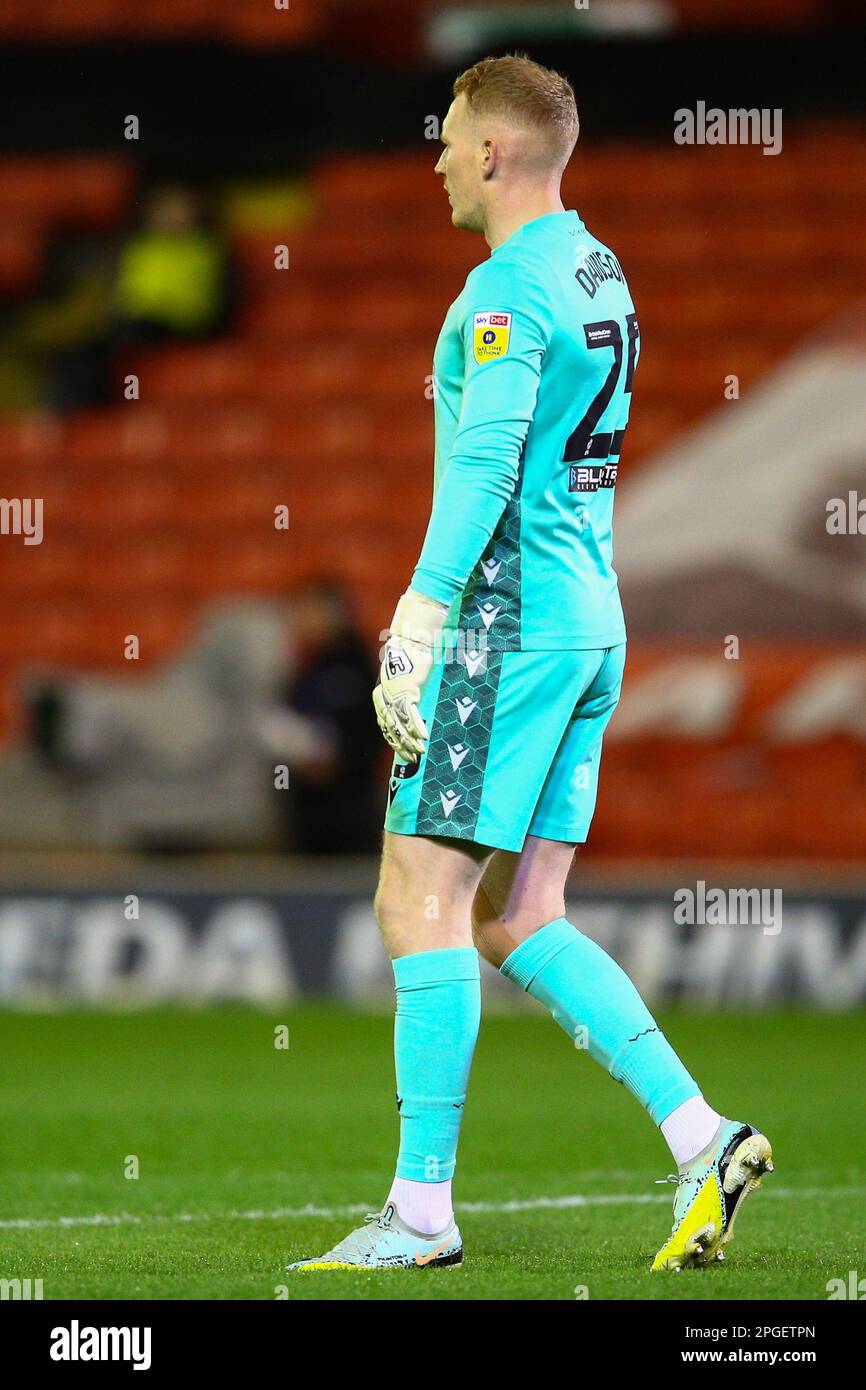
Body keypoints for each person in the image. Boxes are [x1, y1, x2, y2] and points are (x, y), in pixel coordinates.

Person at [288, 54, 773, 1276]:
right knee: (524, 915)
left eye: (449, 139)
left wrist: (419, 610)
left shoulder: (505, 289)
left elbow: (489, 460)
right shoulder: (596, 266)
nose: (438, 158)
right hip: (589, 620)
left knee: (419, 902)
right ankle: (700, 1134)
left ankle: (420, 1211)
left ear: (495, 151)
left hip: (504, 630)